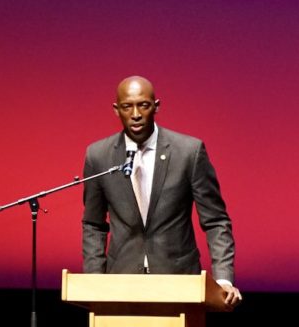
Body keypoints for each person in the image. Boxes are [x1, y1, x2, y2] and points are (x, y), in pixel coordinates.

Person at [82, 76, 242, 307]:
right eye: (127, 107)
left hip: (180, 281)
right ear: (116, 110)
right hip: (121, 282)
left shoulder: (188, 152)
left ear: (156, 106)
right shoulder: (98, 156)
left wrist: (223, 279)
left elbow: (216, 221)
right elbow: (93, 224)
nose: (136, 114)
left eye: (143, 105)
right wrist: (93, 279)